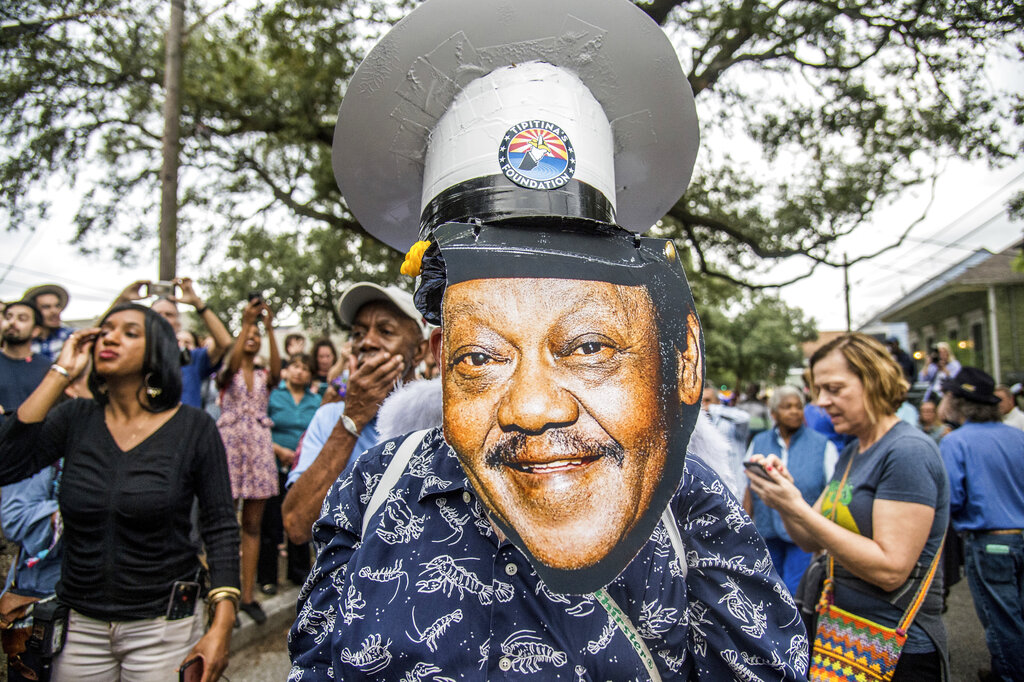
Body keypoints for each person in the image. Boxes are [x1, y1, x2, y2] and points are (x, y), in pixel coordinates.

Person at [290, 0, 808, 677]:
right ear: (442, 354)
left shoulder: (687, 502)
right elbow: (314, 657)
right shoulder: (377, 484)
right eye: (482, 352)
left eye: (588, 345)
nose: (534, 404)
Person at [0, 305, 239, 680]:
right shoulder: (75, 419)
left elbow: (222, 527)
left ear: (156, 351)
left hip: (164, 627)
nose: (110, 337)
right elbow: (6, 462)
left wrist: (221, 627)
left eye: (130, 332)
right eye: (105, 329)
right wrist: (60, 373)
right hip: (80, 627)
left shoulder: (194, 428)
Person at [748, 333, 950, 679]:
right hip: (845, 635)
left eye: (834, 389)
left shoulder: (906, 452)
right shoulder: (852, 452)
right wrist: (781, 498)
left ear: (874, 380)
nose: (821, 403)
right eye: (817, 391)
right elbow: (811, 540)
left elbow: (890, 570)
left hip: (897, 648)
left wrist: (797, 507)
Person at [281, 283, 428, 545]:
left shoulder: (440, 419)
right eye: (358, 333)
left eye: (385, 331)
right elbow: (296, 525)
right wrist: (353, 418)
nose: (367, 343)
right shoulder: (329, 417)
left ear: (419, 351)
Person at [939, 367, 1024, 682]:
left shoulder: (956, 442)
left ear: (959, 402)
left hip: (991, 543)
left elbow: (953, 499)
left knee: (1004, 624)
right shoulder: (1018, 436)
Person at [0, 300, 61, 681]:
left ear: (36, 329)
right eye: (9, 315)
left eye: (23, 317)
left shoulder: (46, 371)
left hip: (30, 470)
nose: (13, 322)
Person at [216, 298, 280, 625]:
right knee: (225, 523)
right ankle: (223, 596)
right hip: (229, 447)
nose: (252, 337)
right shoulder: (226, 372)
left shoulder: (265, 373)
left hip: (257, 449)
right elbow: (228, 367)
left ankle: (247, 596)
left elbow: (279, 371)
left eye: (257, 335)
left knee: (252, 524)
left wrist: (268, 326)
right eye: (248, 334)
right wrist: (246, 321)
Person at [744, 385, 838, 595]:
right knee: (769, 585)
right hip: (767, 529)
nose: (794, 411)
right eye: (787, 407)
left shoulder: (822, 444)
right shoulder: (759, 441)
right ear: (774, 413)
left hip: (803, 529)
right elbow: (749, 486)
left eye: (798, 407)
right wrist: (745, 521)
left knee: (796, 588)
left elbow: (833, 488)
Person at [111, 278, 232, 409]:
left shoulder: (191, 359)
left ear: (178, 324)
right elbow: (97, 341)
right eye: (157, 314)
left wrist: (198, 304)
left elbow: (224, 343)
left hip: (185, 428)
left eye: (169, 314)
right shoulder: (132, 356)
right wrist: (122, 300)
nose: (162, 318)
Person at [258, 353, 320, 592]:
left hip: (303, 470)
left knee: (300, 518)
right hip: (273, 466)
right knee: (270, 523)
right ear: (286, 370)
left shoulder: (315, 401)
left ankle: (300, 573)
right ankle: (267, 578)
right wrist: (278, 449)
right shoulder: (274, 395)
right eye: (295, 366)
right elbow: (260, 427)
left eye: (305, 368)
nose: (299, 371)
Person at [22, 285, 73, 363]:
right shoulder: (23, 340)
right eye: (46, 307)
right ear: (34, 311)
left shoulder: (71, 337)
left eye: (57, 306)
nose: (54, 311)